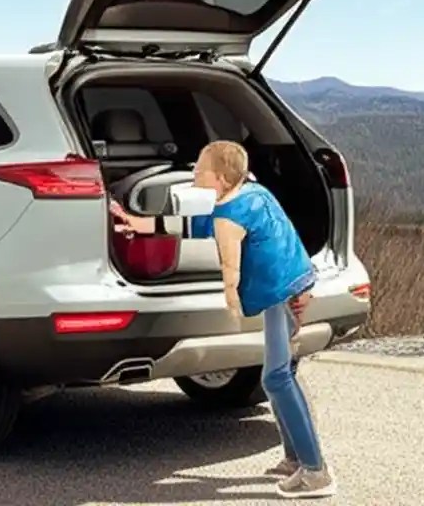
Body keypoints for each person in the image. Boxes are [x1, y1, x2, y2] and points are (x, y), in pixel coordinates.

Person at [111, 141, 333, 499]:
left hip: (282, 295)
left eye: (200, 168)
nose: (194, 172)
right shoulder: (251, 192)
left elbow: (229, 264)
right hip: (297, 283)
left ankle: (315, 471)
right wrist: (139, 222)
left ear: (219, 179)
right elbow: (199, 225)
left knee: (275, 377)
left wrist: (232, 302)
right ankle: (297, 460)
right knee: (284, 374)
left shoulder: (230, 214)